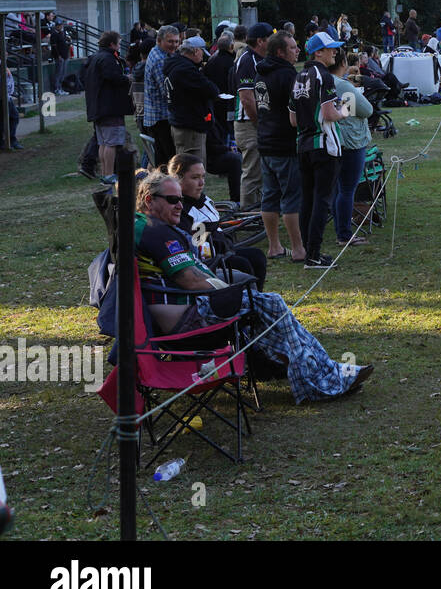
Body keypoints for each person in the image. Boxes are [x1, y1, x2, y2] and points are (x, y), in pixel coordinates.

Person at [132, 171, 373, 402]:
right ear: (149, 200)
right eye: (173, 200)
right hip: (187, 320)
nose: (180, 206)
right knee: (271, 304)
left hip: (186, 310)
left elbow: (192, 274)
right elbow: (190, 280)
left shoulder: (146, 225)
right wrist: (227, 292)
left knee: (265, 309)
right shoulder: (155, 231)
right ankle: (321, 381)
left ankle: (317, 372)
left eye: (180, 200)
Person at [169, 153, 266, 290]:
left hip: (223, 250)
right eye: (195, 178)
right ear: (177, 179)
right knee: (243, 264)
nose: (201, 183)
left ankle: (257, 299)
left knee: (257, 256)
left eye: (203, 177)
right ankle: (244, 302)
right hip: (207, 259)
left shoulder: (203, 200)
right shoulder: (182, 210)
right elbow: (198, 246)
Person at [294, 32, 349, 268]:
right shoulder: (324, 76)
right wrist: (344, 110)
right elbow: (329, 114)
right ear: (318, 52)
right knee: (322, 201)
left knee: (307, 200)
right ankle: (314, 256)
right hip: (325, 145)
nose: (335, 52)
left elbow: (292, 119)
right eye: (331, 49)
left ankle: (309, 252)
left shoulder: (298, 76)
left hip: (303, 146)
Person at [255, 32, 306, 261]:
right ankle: (297, 248)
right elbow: (298, 108)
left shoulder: (260, 72)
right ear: (280, 52)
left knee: (270, 196)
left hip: (265, 141)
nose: (298, 51)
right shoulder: (287, 75)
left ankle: (274, 246)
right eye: (293, 48)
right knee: (291, 198)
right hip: (284, 143)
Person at [327, 52, 372, 248]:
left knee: (338, 188)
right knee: (347, 189)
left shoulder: (323, 80)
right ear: (344, 63)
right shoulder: (343, 85)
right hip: (351, 141)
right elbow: (367, 110)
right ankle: (344, 234)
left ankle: (341, 229)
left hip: (335, 140)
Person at [232, 22, 273, 211]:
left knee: (262, 171)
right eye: (270, 37)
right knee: (252, 172)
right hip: (249, 123)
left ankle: (259, 211)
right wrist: (261, 122)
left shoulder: (263, 58)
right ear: (260, 41)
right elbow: (247, 99)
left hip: (259, 121)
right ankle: (247, 215)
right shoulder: (248, 60)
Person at [84, 30, 136, 177]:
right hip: (110, 107)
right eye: (118, 43)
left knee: (103, 142)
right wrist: (127, 78)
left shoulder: (95, 57)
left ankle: (105, 173)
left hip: (99, 107)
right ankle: (108, 175)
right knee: (111, 143)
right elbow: (113, 77)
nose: (120, 46)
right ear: (112, 44)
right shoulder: (108, 59)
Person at [164, 36, 219, 166]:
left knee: (182, 165)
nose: (202, 57)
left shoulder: (174, 65)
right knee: (192, 167)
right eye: (201, 52)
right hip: (190, 125)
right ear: (195, 51)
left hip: (179, 122)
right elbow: (211, 89)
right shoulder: (186, 70)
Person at [142, 25, 181, 168]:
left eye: (177, 41)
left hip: (156, 115)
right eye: (170, 42)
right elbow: (166, 91)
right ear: (159, 40)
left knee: (161, 159)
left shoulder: (159, 52)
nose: (174, 45)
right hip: (161, 116)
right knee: (168, 160)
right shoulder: (160, 60)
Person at [205, 33, 237, 143]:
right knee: (230, 132)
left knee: (220, 131)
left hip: (215, 102)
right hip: (229, 103)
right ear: (231, 47)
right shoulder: (233, 62)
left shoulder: (211, 60)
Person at [49, 21, 71, 95]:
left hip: (65, 55)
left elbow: (66, 43)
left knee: (63, 73)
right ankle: (56, 89)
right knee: (58, 73)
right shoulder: (54, 34)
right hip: (59, 56)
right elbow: (54, 47)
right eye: (60, 26)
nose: (61, 27)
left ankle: (61, 88)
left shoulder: (62, 33)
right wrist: (58, 56)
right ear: (56, 26)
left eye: (62, 25)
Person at [4, 66, 23, 151]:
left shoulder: (3, 64)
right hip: (4, 97)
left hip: (7, 96)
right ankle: (10, 140)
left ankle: (10, 140)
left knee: (13, 117)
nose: (6, 54)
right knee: (13, 116)